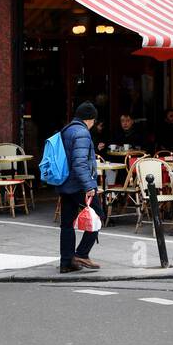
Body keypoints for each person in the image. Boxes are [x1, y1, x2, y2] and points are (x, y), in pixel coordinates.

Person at [58, 102, 102, 273]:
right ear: (90, 119)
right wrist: (89, 185)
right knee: (98, 216)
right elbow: (80, 163)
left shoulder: (66, 130)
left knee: (67, 224)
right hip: (78, 185)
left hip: (65, 183)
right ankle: (82, 253)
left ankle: (66, 262)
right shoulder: (82, 132)